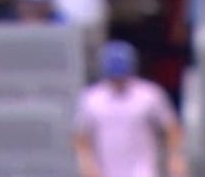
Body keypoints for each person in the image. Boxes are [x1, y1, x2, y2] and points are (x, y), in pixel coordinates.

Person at [73, 41, 187, 177]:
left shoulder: (149, 95)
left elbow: (171, 127)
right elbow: (81, 135)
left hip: (142, 171)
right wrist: (85, 162)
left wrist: (175, 156)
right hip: (105, 171)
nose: (118, 82)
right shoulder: (91, 98)